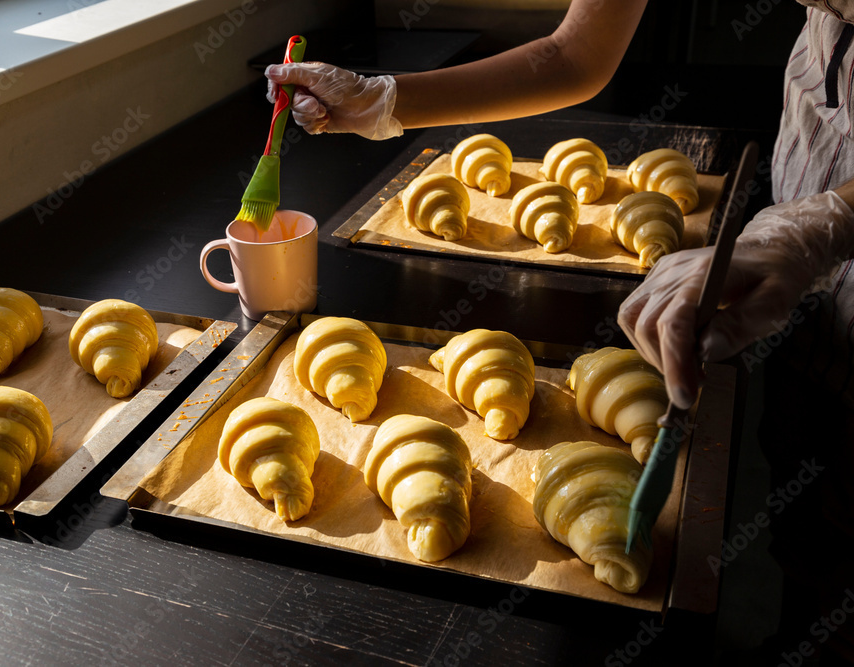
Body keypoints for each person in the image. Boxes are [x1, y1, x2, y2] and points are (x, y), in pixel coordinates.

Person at [266, 0, 854, 661]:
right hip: (812, 171)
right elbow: (574, 54)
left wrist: (829, 221)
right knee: (809, 515)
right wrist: (384, 101)